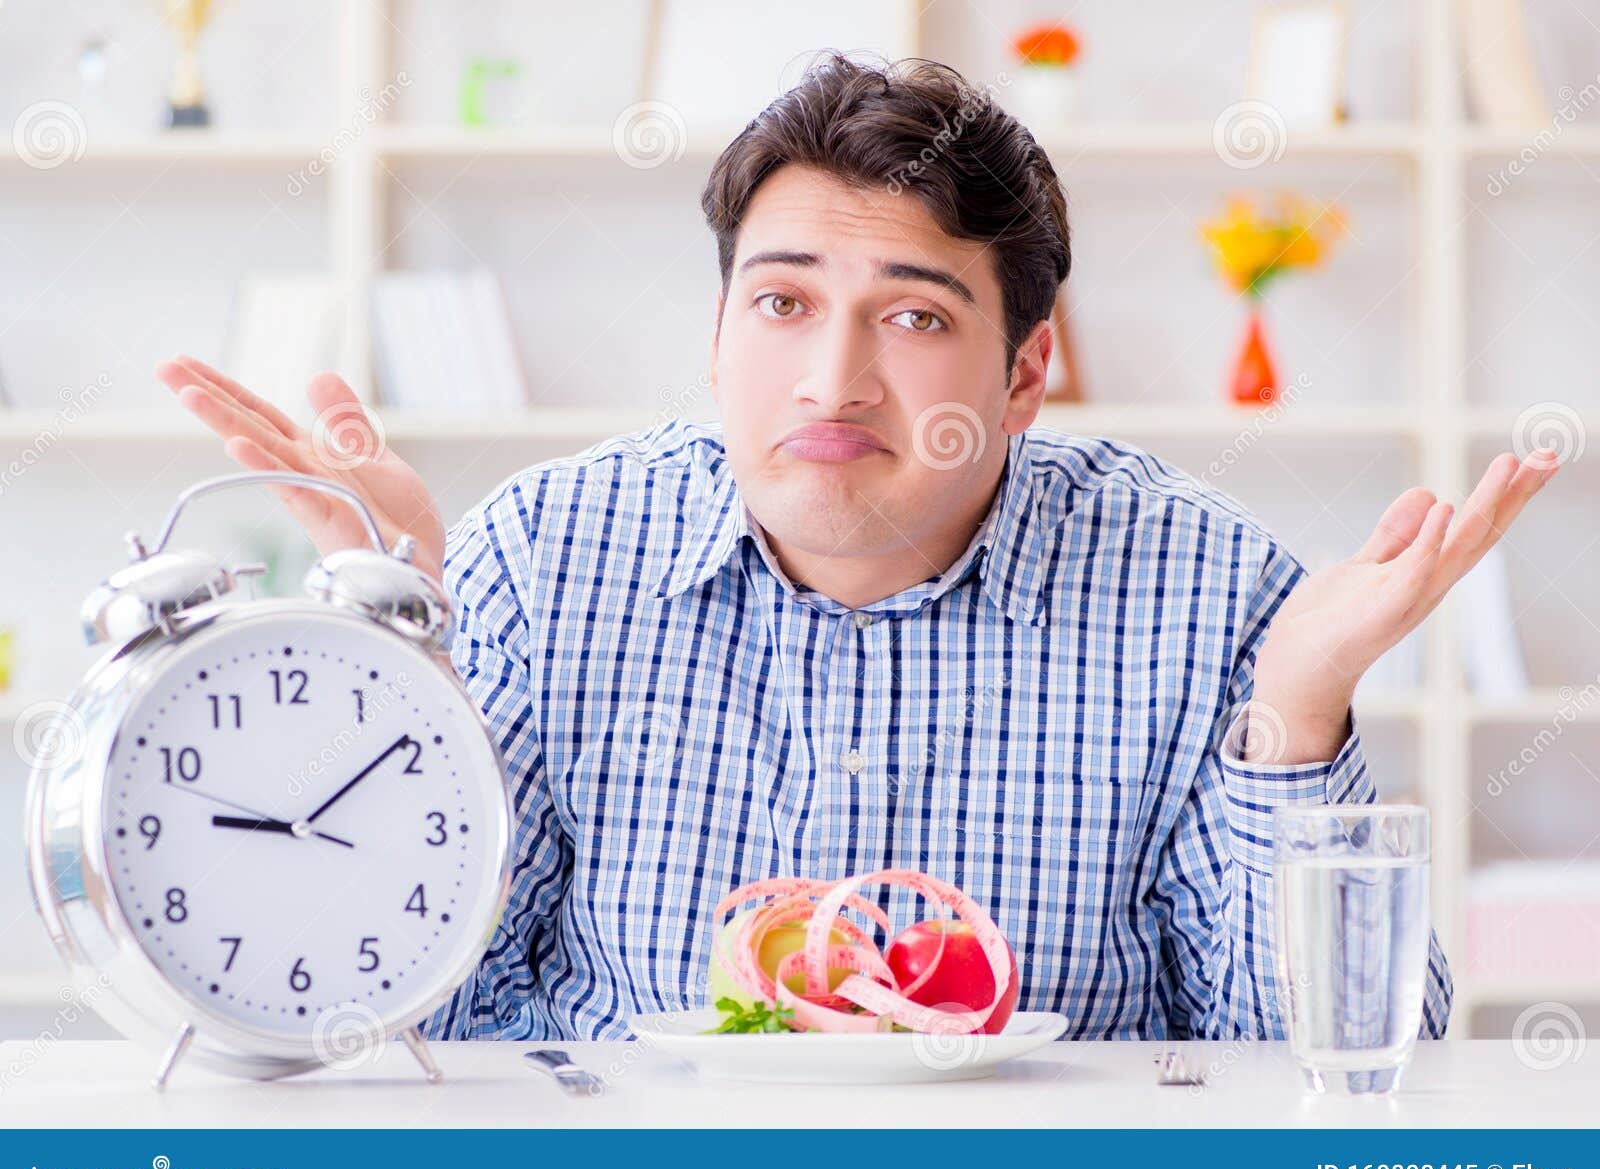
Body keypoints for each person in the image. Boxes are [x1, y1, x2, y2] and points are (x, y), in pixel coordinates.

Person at [155, 55, 1556, 1042]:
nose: (832, 380)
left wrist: (1296, 722)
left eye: (914, 316)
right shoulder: (540, 560)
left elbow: (1333, 1073)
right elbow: (415, 1034)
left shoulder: (1201, 588)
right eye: (780, 306)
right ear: (715, 340)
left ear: (1026, 375)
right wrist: (405, 678)